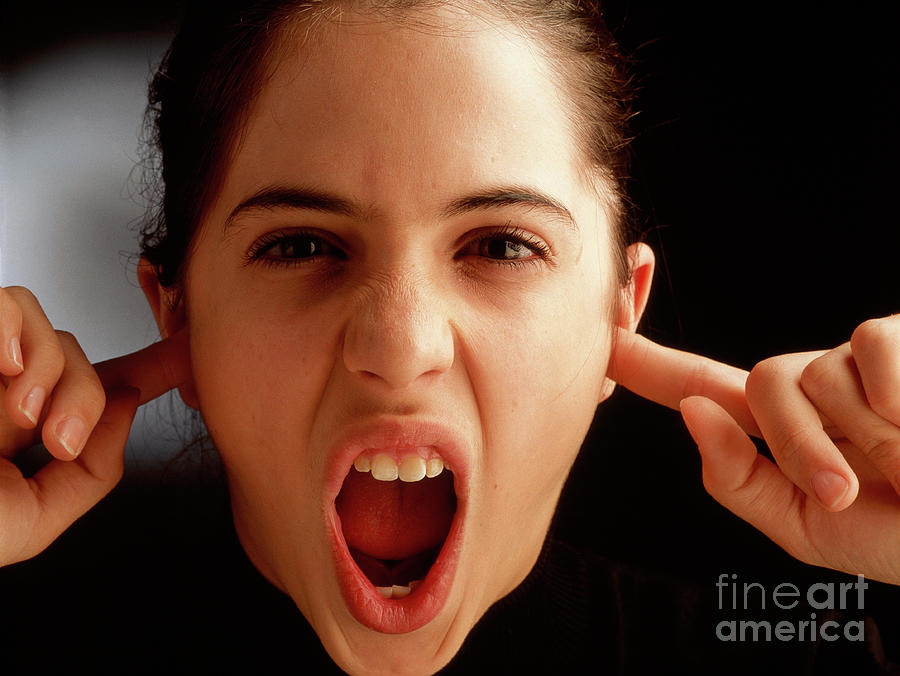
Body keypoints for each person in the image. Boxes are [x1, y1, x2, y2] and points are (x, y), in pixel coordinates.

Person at [1, 1, 898, 674]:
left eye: (502, 245)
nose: (399, 345)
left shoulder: (796, 648)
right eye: (302, 245)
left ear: (621, 309)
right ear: (179, 316)